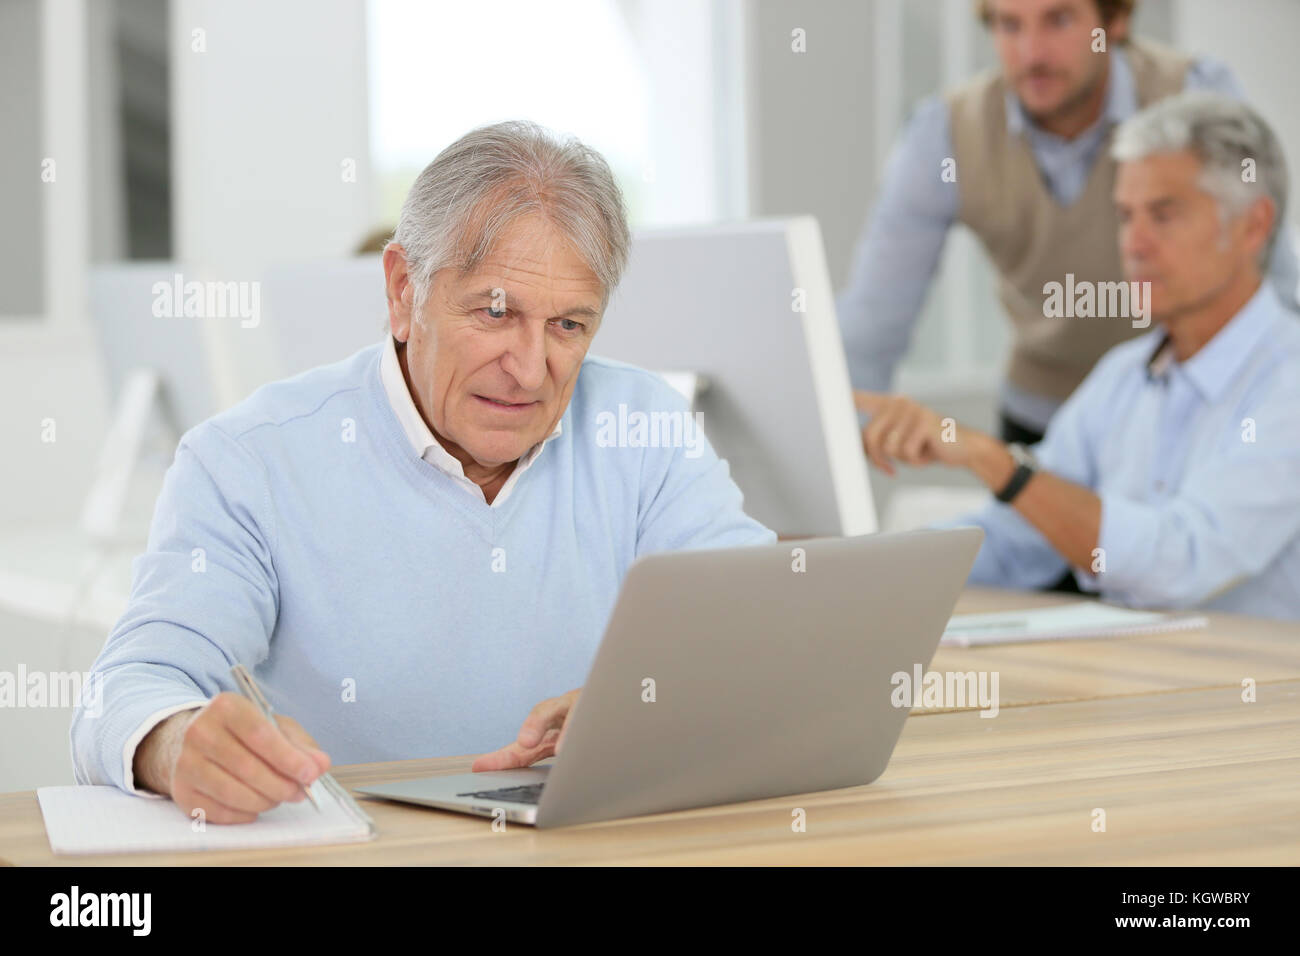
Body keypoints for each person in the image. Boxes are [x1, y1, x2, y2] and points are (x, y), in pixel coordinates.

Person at [70, 121, 773, 822]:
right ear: (404, 290)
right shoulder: (247, 459)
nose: (531, 369)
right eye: (496, 313)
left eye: (569, 326)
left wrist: (660, 701)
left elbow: (762, 631)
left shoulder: (643, 425)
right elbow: (131, 684)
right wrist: (176, 742)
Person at [856, 92, 1300, 620]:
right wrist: (861, 571)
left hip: (1260, 695)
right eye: (1125, 216)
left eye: (1163, 215)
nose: (1134, 244)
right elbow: (1018, 541)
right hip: (1141, 683)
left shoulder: (1286, 383)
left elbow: (1181, 565)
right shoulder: (1123, 377)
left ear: (1253, 226)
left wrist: (992, 459)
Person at [837, 0, 1298, 446]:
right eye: (1009, 25)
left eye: (1058, 20)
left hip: (1191, 409)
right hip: (1043, 417)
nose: (1032, 53)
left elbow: (1274, 280)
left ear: (1113, 19)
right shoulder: (945, 135)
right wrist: (839, 464)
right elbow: (873, 323)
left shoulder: (1194, 95)